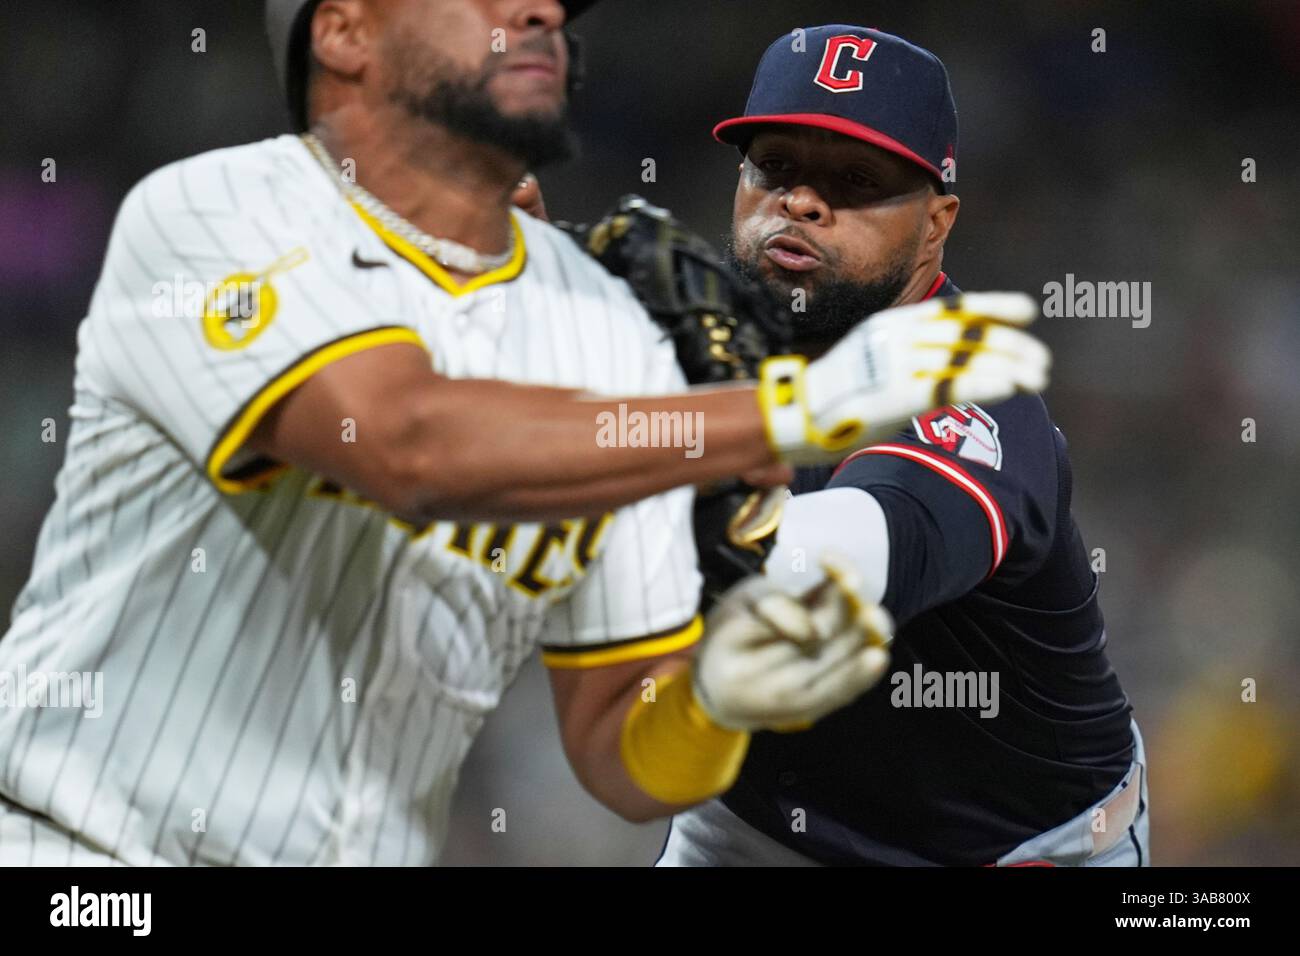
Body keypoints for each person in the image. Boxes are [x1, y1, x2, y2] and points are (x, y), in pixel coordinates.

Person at [0, 2, 1048, 866]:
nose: (540, 12)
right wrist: (770, 423)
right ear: (346, 33)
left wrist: (713, 702)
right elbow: (406, 442)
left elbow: (619, 752)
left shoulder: (595, 341)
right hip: (86, 854)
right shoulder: (216, 218)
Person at [655, 25, 1148, 867]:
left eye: (855, 181)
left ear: (936, 223)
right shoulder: (690, 326)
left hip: (1011, 848)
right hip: (753, 831)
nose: (801, 203)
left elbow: (827, 582)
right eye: (774, 168)